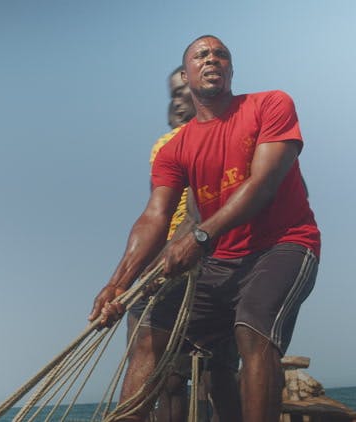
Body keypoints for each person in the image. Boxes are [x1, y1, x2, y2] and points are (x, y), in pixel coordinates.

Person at [88, 35, 320, 422]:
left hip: (284, 245)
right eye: (201, 55)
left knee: (252, 327)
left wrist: (199, 237)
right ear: (187, 72)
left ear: (231, 69)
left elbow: (263, 184)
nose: (212, 58)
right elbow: (155, 217)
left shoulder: (271, 104)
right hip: (221, 259)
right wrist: (118, 283)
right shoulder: (174, 149)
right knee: (150, 328)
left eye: (221, 54)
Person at [126, 65, 240, 422]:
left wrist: (180, 251)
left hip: (209, 258)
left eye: (184, 92)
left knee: (217, 369)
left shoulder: (225, 137)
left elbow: (201, 210)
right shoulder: (164, 147)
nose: (177, 102)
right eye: (172, 94)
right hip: (169, 261)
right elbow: (157, 215)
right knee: (167, 373)